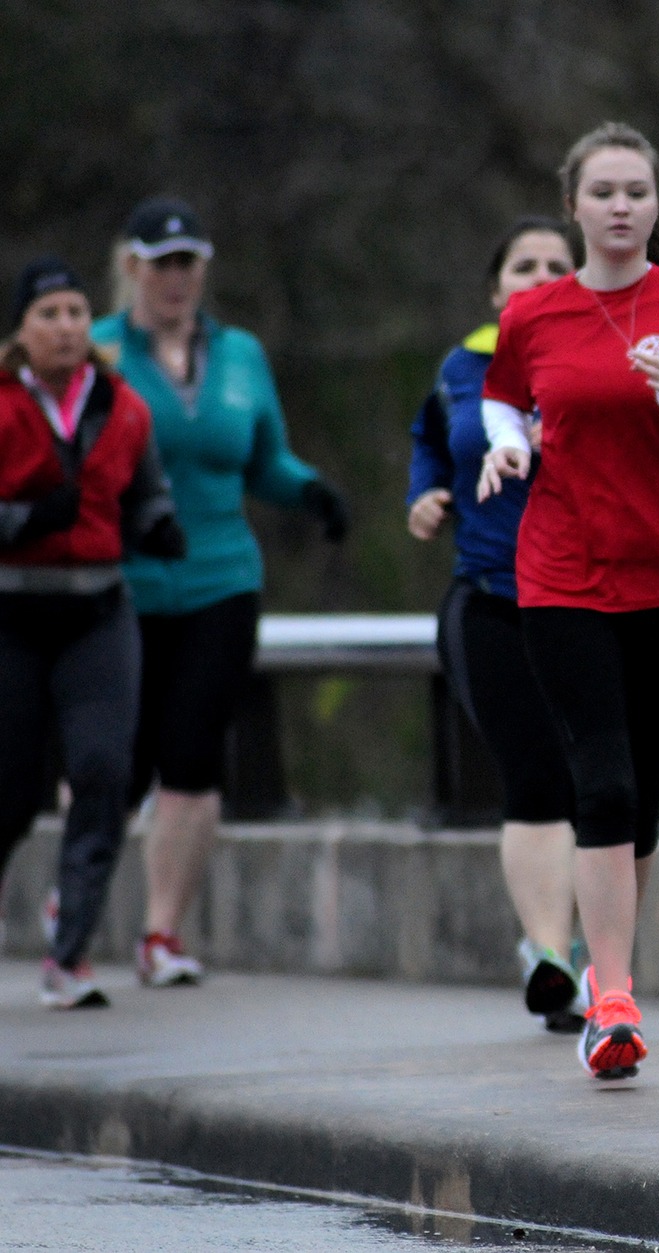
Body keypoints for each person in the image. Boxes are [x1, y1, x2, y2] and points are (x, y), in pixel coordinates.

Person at [478, 122, 659, 1080]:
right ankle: (611, 999)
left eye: (635, 192)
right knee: (597, 781)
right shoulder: (536, 314)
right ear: (574, 205)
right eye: (601, 192)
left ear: (656, 204)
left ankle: (614, 974)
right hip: (561, 574)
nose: (618, 207)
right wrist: (508, 443)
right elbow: (501, 396)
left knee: (640, 795)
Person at [92, 197, 350, 988]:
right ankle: (73, 918)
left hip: (221, 575)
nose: (176, 278)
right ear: (133, 267)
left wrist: (310, 491)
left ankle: (162, 931)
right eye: (161, 263)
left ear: (204, 267)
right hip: (125, 581)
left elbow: (262, 458)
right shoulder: (97, 350)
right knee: (115, 762)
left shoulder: (239, 355)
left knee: (193, 755)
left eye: (188, 262)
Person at [408, 216, 589, 1032]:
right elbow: (428, 437)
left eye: (556, 264)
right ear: (496, 287)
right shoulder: (462, 366)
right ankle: (550, 956)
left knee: (595, 783)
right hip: (489, 595)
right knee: (533, 774)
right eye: (524, 264)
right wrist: (429, 492)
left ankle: (587, 955)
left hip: (586, 596)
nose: (540, 275)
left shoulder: (595, 359)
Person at [0, 257, 186, 1008]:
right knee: (10, 792)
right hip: (11, 611)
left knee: (105, 771)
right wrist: (20, 522)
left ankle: (69, 953)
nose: (68, 327)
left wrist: (157, 526)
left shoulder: (124, 406)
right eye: (51, 314)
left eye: (78, 312)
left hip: (99, 610)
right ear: (22, 328)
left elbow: (146, 490)